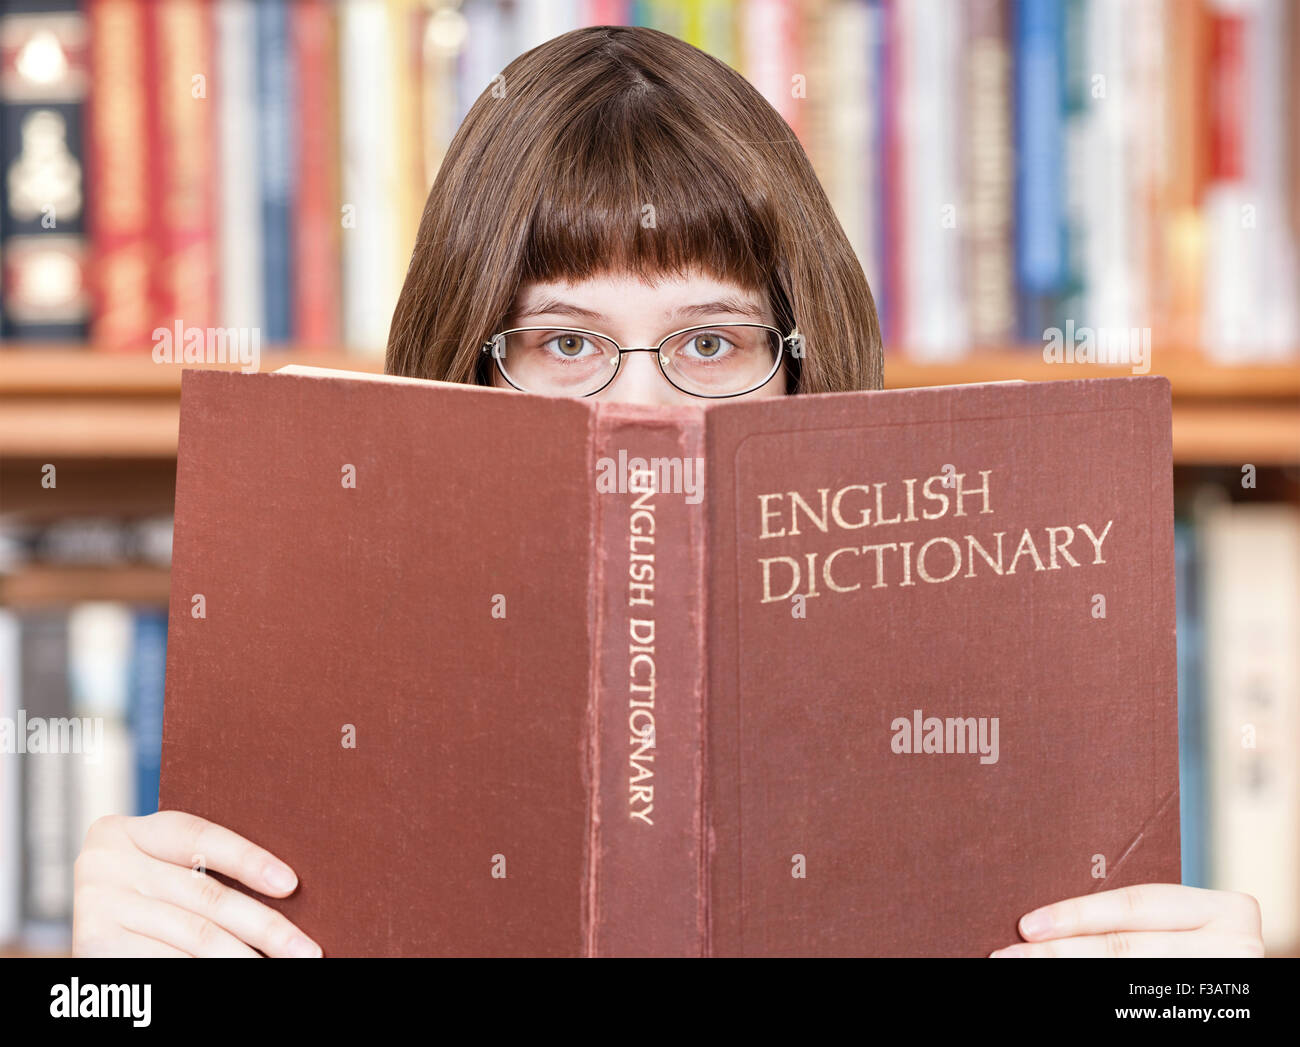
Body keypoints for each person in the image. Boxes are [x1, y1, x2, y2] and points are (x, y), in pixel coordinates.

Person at [73, 25, 1263, 958]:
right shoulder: (295, 713)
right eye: (565, 343)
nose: (638, 410)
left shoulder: (1014, 724)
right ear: (460, 362)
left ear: (805, 364)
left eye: (708, 344)